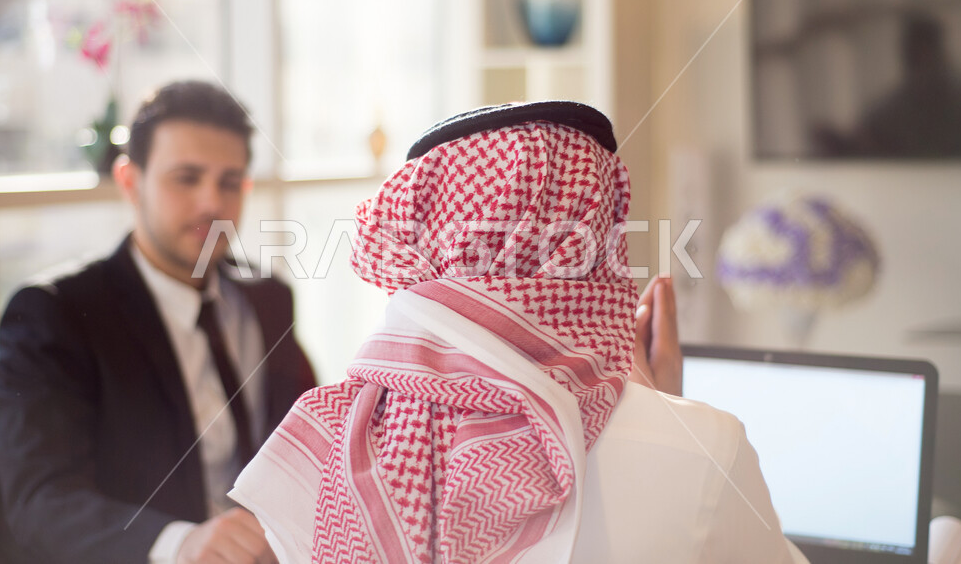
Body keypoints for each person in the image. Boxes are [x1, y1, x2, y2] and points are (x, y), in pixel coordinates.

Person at [229, 101, 807, 563]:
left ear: (420, 236)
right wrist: (658, 403)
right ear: (599, 230)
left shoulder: (325, 445)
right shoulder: (705, 448)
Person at [0, 80, 315, 564]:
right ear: (130, 182)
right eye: (186, 178)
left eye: (230, 182)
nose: (212, 203)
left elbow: (308, 445)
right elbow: (41, 502)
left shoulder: (269, 298)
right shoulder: (55, 313)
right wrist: (179, 544)